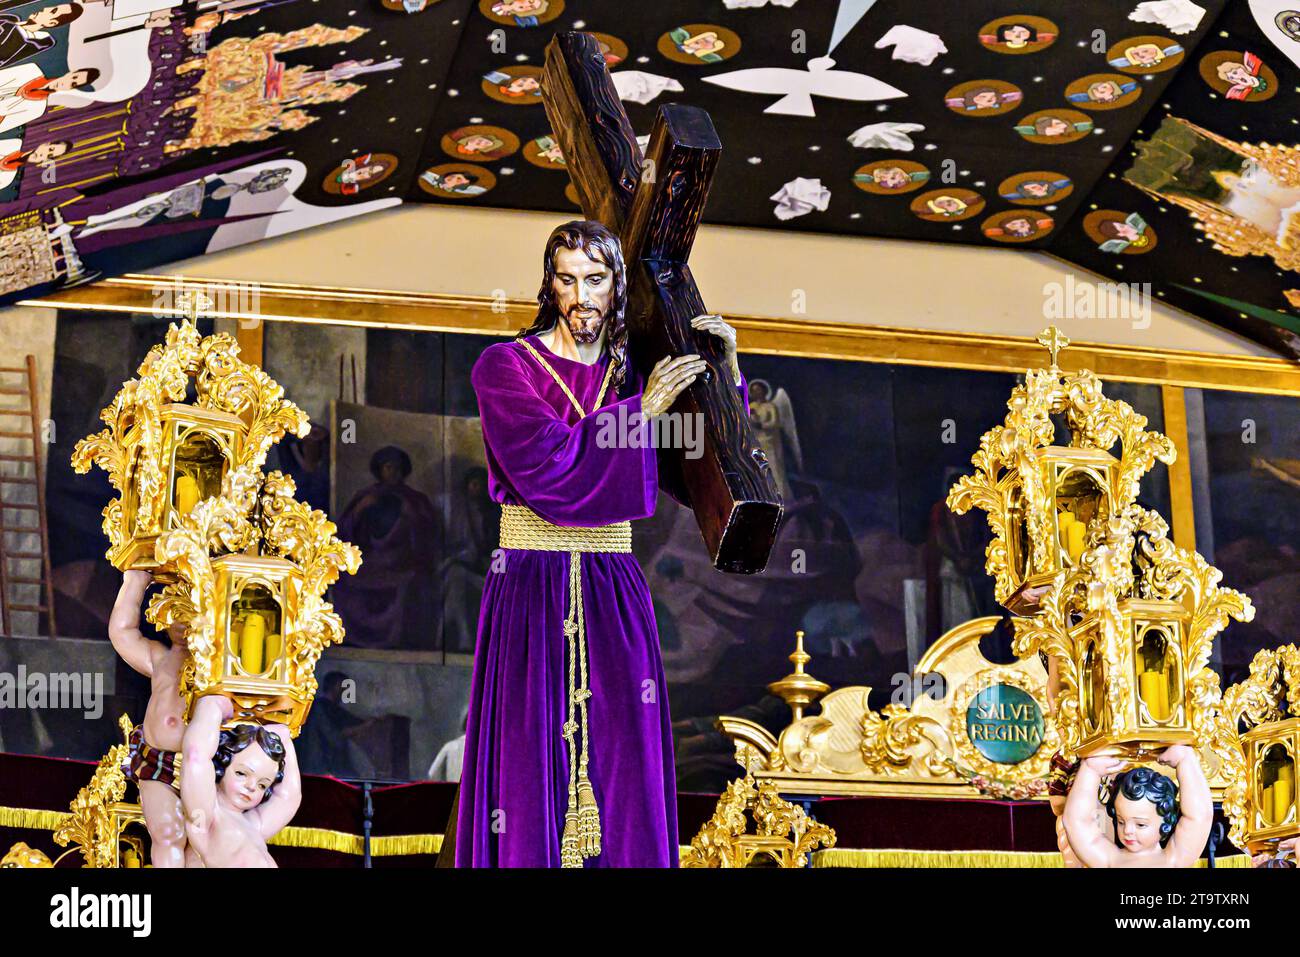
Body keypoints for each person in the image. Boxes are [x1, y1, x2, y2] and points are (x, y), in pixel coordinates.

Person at [456, 219, 746, 867]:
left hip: (613, 586)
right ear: (548, 283)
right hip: (531, 581)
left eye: (596, 279)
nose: (581, 295)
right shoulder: (506, 366)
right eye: (567, 279)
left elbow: (697, 456)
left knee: (625, 755)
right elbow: (546, 468)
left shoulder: (633, 375)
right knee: (527, 759)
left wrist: (723, 373)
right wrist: (639, 413)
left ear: (617, 287)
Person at [108, 570, 190, 868]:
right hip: (158, 764)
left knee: (203, 842)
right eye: (177, 607)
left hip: (210, 767)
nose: (184, 616)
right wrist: (135, 580)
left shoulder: (225, 666)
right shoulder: (162, 659)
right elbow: (123, 632)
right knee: (168, 834)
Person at [181, 695, 300, 868]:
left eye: (262, 785)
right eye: (241, 773)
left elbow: (288, 797)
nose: (251, 786)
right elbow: (195, 757)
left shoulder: (254, 824)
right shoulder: (207, 817)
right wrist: (211, 707)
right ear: (222, 765)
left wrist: (285, 740)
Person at [1063, 745, 1212, 867]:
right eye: (1121, 821)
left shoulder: (1173, 859)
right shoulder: (1110, 860)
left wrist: (1186, 761)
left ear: (1165, 822)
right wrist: (1090, 771)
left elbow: (1199, 817)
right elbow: (1077, 822)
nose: (1127, 831)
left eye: (1140, 824)